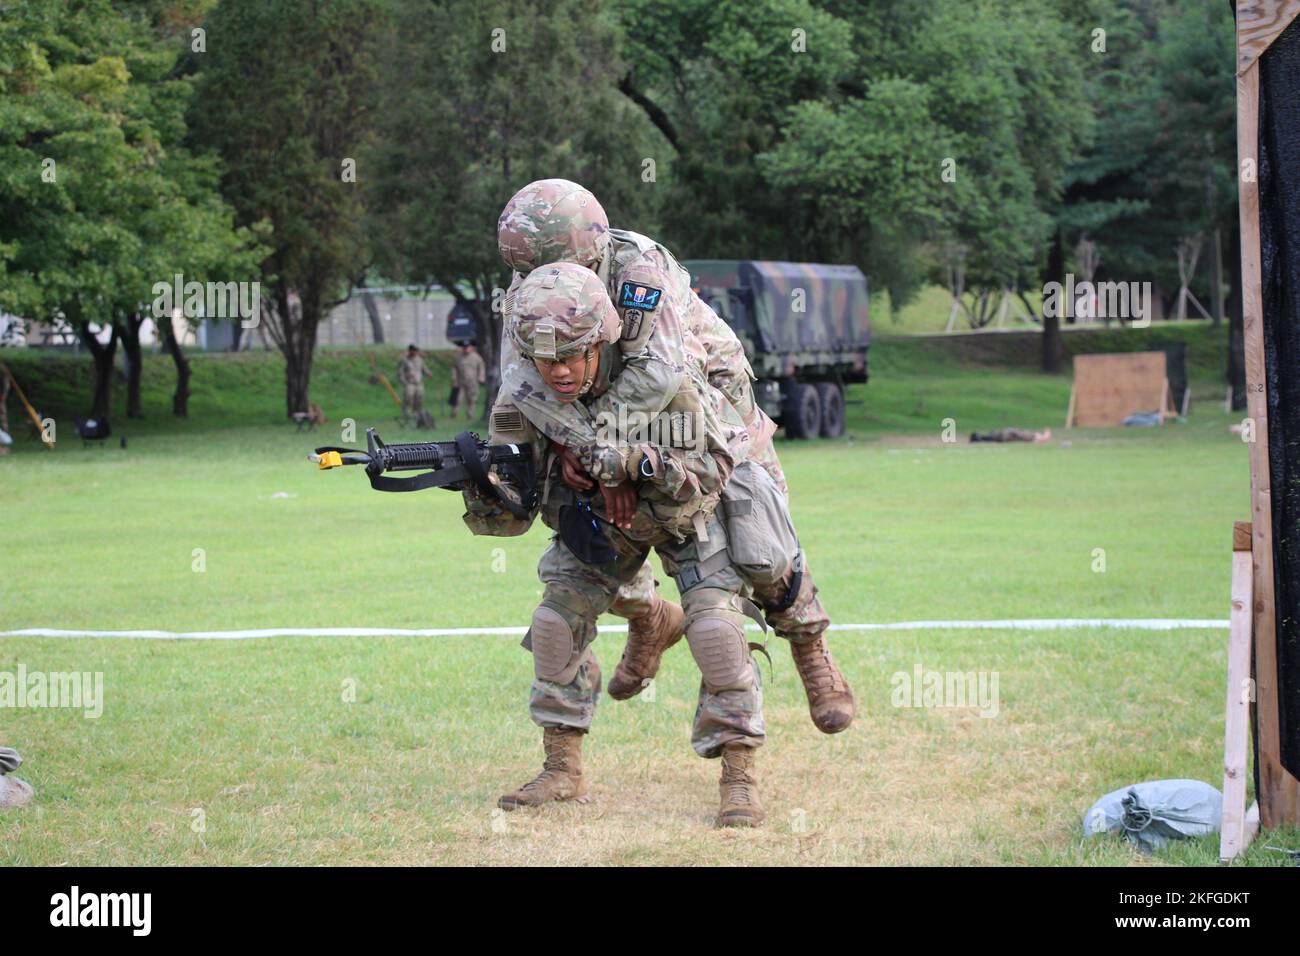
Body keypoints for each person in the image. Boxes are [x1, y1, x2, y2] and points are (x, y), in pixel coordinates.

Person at [496, 178, 853, 733]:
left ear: (587, 252)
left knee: (763, 550)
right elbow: (522, 378)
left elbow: (658, 374)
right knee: (591, 551)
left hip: (708, 416)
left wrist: (601, 452)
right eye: (527, 274)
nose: (538, 283)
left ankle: (811, 651)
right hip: (604, 430)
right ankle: (652, 620)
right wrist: (587, 455)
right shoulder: (532, 287)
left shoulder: (638, 271)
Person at [464, 262, 772, 827]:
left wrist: (634, 465)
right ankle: (562, 768)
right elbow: (516, 509)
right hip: (603, 521)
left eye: (569, 356)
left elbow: (715, 467)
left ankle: (739, 776)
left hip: (686, 516)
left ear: (600, 340)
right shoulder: (528, 394)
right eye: (542, 358)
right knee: (555, 623)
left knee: (717, 634)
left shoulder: (665, 378)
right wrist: (489, 483)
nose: (555, 371)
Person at [396, 344, 431, 426]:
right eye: (413, 350)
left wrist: (428, 373)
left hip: (419, 384)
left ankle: (417, 417)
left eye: (416, 350)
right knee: (408, 400)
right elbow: (400, 373)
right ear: (410, 350)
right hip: (409, 384)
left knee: (419, 400)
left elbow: (424, 368)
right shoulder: (404, 360)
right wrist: (404, 382)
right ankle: (406, 417)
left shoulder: (419, 359)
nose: (415, 352)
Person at [452, 342, 485, 421]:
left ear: (471, 348)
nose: (466, 349)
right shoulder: (458, 357)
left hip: (473, 382)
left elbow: (481, 367)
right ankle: (454, 414)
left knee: (472, 399)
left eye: (467, 347)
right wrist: (454, 379)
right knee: (458, 399)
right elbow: (454, 368)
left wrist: (481, 377)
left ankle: (470, 414)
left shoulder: (476, 357)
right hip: (461, 382)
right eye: (464, 347)